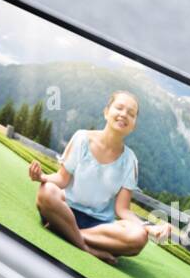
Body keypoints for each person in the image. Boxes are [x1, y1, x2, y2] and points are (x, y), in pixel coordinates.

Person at [28, 90, 170, 264]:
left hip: (100, 229)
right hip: (65, 211)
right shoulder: (82, 138)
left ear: (133, 125)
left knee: (139, 238)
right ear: (106, 112)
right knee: (46, 192)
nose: (124, 114)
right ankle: (86, 247)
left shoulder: (130, 161)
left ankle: (67, 232)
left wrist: (149, 228)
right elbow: (61, 179)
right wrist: (41, 177)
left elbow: (122, 210)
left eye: (131, 114)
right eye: (119, 108)